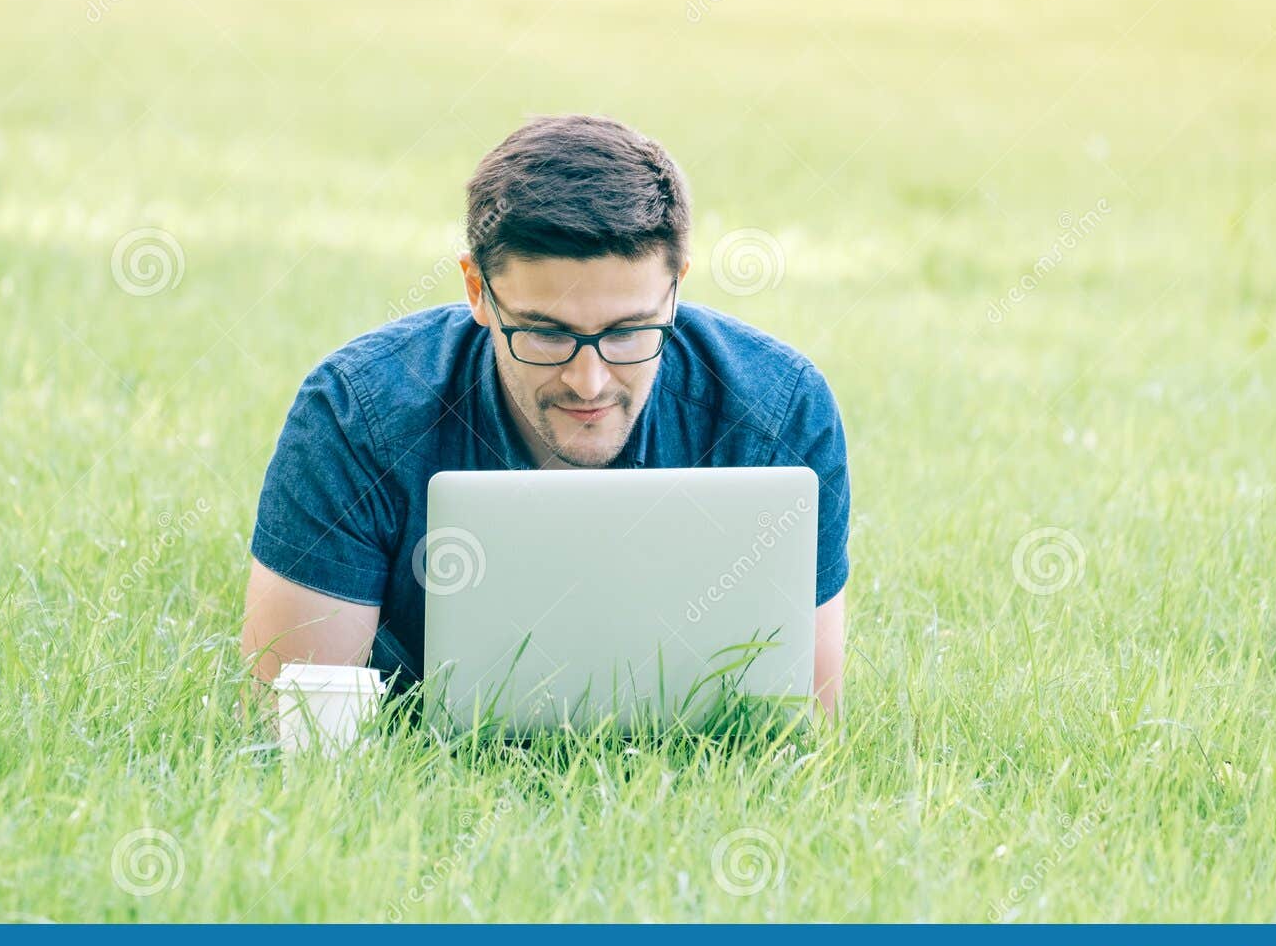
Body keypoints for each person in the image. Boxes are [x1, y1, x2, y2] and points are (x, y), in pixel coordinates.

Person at [241, 114, 851, 719]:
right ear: (477, 290)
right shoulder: (357, 415)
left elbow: (805, 734)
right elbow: (295, 735)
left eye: (627, 332)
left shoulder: (779, 413)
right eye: (546, 333)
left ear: (675, 291)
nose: (589, 381)